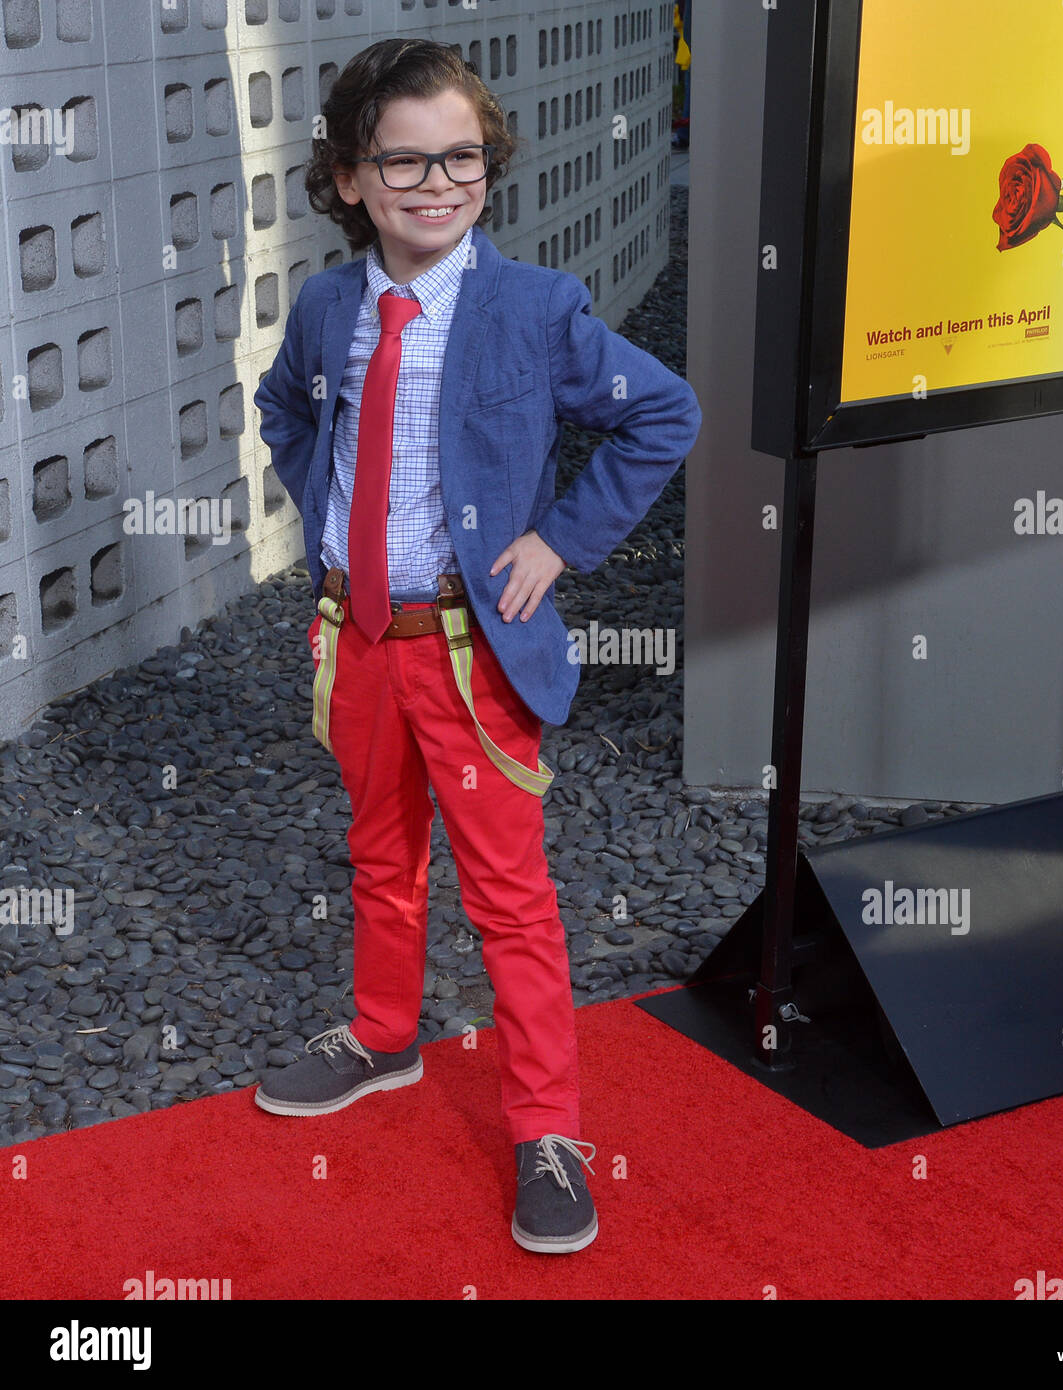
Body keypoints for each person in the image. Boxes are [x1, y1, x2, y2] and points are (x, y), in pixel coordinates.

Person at [251, 37, 701, 1254]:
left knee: (509, 893)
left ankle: (546, 1124)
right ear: (350, 176)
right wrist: (329, 521)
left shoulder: (532, 308)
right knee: (378, 851)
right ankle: (385, 1032)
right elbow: (286, 409)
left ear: (489, 167)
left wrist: (561, 539)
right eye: (403, 160)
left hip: (470, 649)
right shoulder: (332, 306)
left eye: (461, 156)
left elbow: (666, 413)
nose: (436, 181)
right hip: (360, 640)